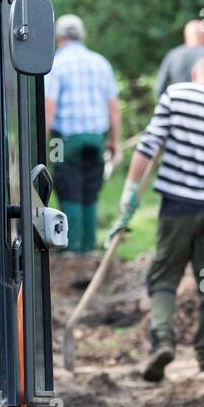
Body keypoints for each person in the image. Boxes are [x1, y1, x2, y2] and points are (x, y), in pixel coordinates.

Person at [110, 55, 204, 382]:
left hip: (176, 206)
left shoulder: (176, 96)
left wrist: (130, 193)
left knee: (164, 276)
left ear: (195, 75)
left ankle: (162, 341)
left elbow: (148, 147)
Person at [44, 14, 122, 252]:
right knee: (90, 190)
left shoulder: (56, 64)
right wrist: (115, 142)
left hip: (67, 141)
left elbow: (50, 107)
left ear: (59, 37)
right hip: (96, 139)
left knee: (69, 188)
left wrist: (41, 141)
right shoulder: (100, 62)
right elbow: (113, 107)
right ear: (82, 35)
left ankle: (73, 246)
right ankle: (90, 248)